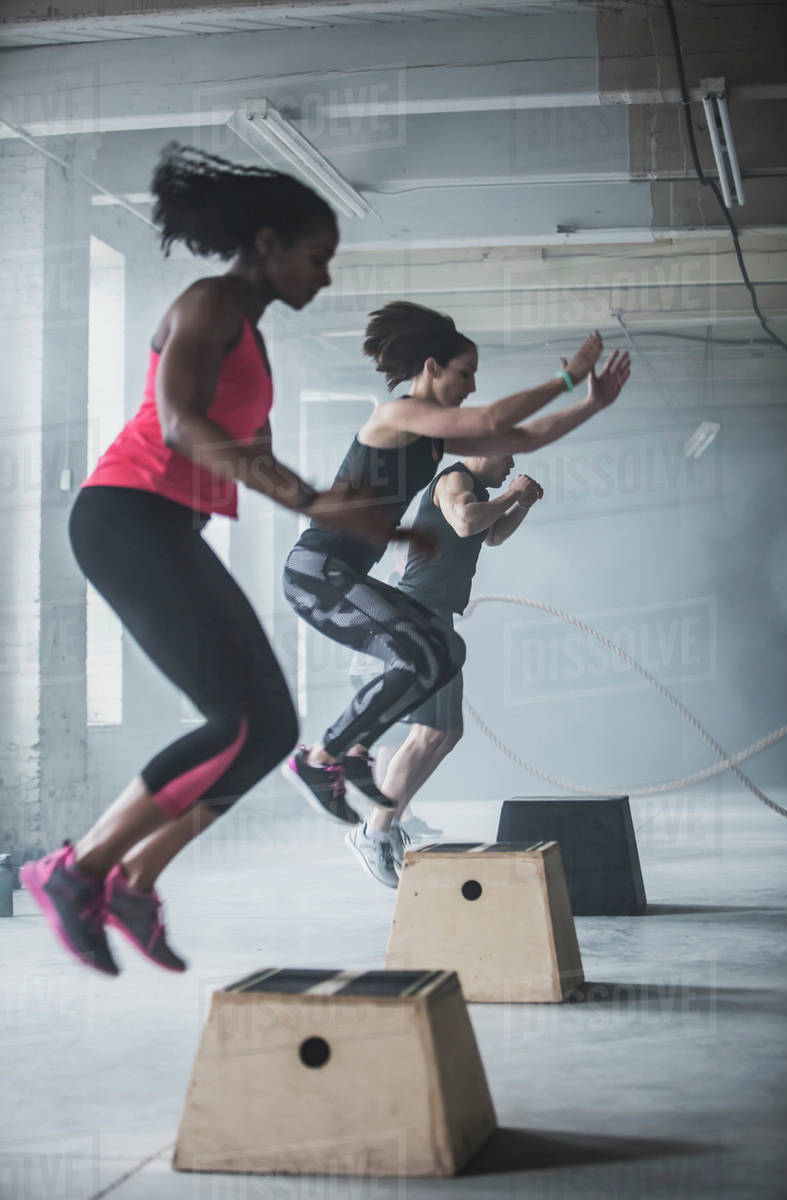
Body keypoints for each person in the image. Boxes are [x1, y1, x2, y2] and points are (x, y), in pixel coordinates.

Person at [20, 145, 412, 977]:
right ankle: (76, 869)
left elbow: (258, 464)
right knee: (234, 721)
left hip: (166, 527)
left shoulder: (255, 347)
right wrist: (313, 501)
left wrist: (350, 514)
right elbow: (179, 426)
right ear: (266, 243)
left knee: (269, 728)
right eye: (317, 258)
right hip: (125, 516)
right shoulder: (208, 303)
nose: (326, 278)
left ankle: (134, 880)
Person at [281, 300, 629, 839]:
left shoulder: (437, 439)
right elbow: (493, 421)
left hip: (346, 574)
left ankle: (348, 751)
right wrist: (568, 376)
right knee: (421, 653)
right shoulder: (395, 415)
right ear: (430, 369)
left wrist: (593, 404)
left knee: (444, 652)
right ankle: (324, 755)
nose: (470, 386)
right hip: (318, 569)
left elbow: (524, 438)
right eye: (464, 374)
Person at [346, 453, 543, 886]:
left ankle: (387, 824)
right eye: (505, 452)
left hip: (437, 618)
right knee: (428, 733)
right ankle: (374, 832)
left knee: (447, 733)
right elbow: (465, 524)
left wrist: (520, 505)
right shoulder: (454, 480)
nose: (510, 462)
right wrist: (513, 494)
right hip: (418, 617)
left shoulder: (480, 493)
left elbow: (489, 536)